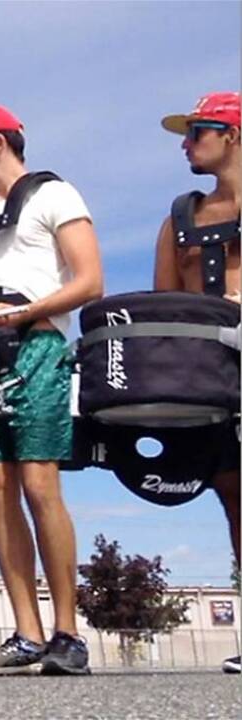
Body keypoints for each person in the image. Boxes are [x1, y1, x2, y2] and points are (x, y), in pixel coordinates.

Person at [0, 106, 104, 675]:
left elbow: (88, 280)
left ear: (2, 142)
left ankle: (67, 633)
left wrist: (25, 312)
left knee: (38, 482)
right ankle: (26, 633)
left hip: (37, 347)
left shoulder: (55, 195)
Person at [152, 91, 241, 675]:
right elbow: (160, 304)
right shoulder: (179, 217)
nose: (186, 143)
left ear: (232, 134)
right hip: (210, 377)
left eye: (198, 131)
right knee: (234, 496)